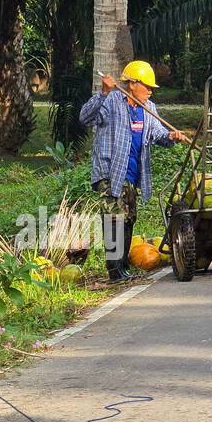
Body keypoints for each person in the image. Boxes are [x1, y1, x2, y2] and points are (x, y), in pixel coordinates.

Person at [79, 60, 189, 281]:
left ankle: (121, 265)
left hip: (132, 175)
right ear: (132, 84)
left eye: (151, 88)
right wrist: (102, 93)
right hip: (110, 172)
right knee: (114, 218)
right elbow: (85, 117)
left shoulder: (149, 109)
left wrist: (171, 136)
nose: (150, 91)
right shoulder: (110, 102)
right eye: (146, 86)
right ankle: (115, 270)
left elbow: (158, 135)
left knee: (129, 219)